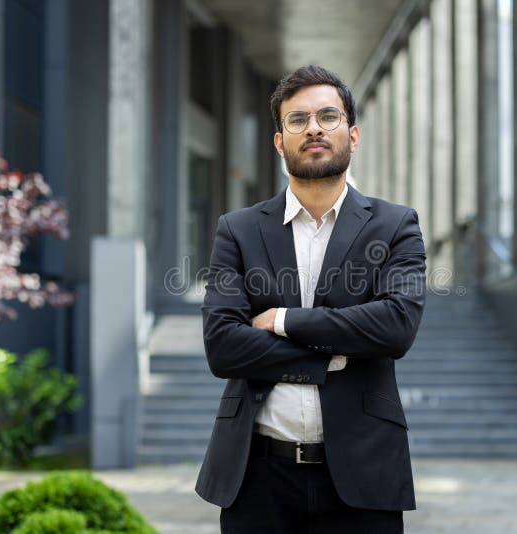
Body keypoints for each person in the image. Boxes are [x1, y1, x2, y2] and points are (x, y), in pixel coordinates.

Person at [195, 65, 426, 534]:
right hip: (257, 478)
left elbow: (395, 327)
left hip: (364, 474)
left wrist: (281, 319)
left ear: (352, 134)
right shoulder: (237, 230)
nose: (314, 128)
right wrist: (336, 353)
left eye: (327, 116)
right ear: (280, 141)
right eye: (297, 120)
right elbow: (223, 346)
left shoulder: (395, 225)